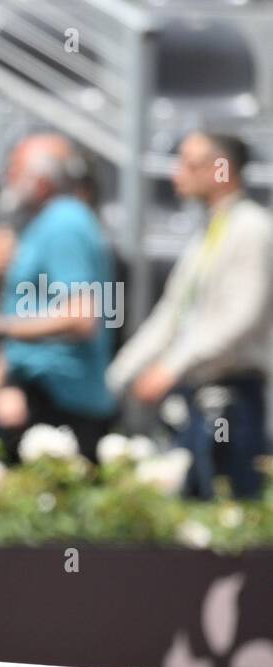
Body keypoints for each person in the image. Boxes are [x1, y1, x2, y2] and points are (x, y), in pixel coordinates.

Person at [107, 132, 272, 499]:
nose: (177, 173)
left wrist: (172, 366)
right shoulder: (208, 235)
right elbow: (170, 315)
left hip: (235, 399)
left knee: (232, 521)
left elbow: (242, 318)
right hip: (199, 397)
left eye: (189, 163)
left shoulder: (252, 229)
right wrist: (118, 376)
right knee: (199, 512)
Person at [0, 133, 117, 460]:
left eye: (14, 169)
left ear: (40, 182)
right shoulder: (44, 224)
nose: (6, 179)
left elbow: (80, 317)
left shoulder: (65, 223)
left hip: (60, 408)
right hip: (38, 399)